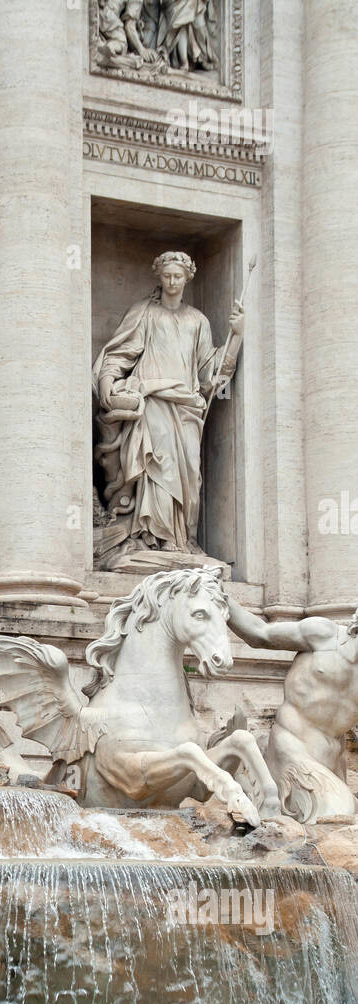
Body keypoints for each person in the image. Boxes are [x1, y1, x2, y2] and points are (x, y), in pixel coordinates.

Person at [93, 250, 243, 558]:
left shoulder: (197, 321)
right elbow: (120, 354)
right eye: (166, 276)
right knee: (157, 467)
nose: (172, 281)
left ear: (188, 277)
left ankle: (180, 537)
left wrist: (237, 337)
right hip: (153, 402)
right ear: (158, 277)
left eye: (178, 276)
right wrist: (108, 383)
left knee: (189, 476)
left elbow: (210, 374)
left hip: (187, 407)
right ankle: (150, 536)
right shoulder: (144, 311)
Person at [226, 597, 358, 823]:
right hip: (292, 749)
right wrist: (222, 598)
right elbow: (260, 634)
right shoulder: (325, 634)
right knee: (339, 810)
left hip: (334, 763)